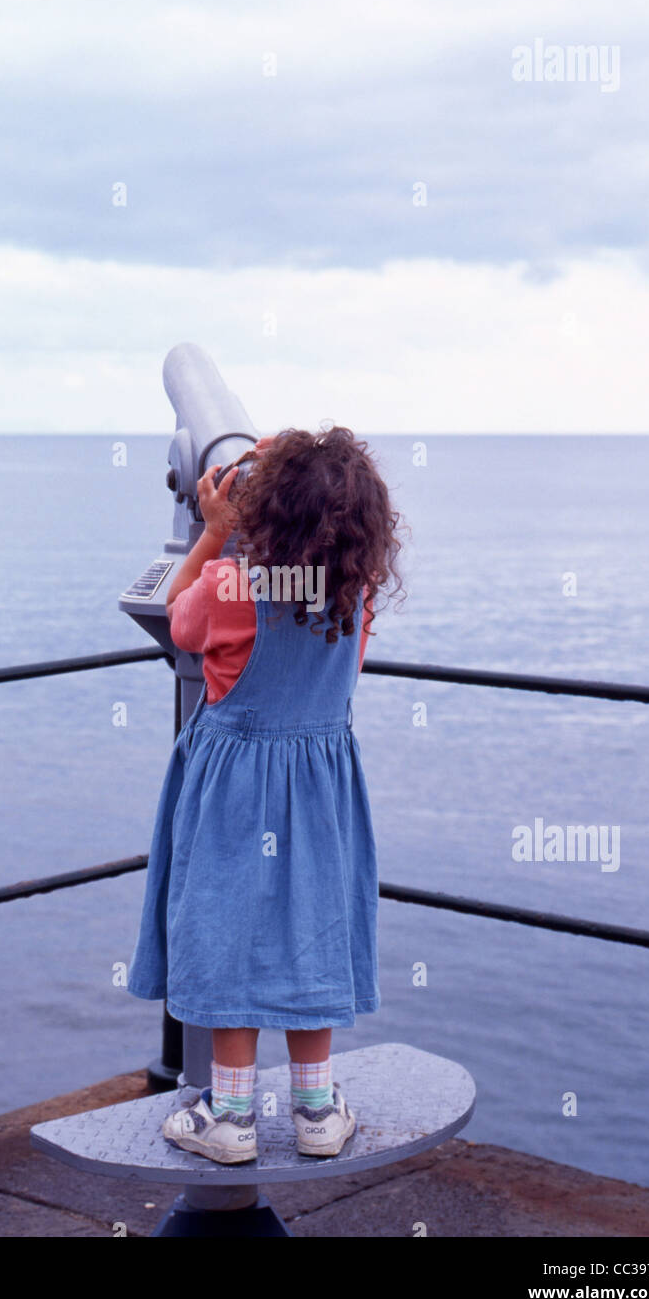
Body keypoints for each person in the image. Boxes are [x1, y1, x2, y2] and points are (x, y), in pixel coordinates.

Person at [126, 426, 405, 1163]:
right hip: (319, 792)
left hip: (233, 792)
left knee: (227, 930)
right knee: (311, 925)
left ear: (265, 513)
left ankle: (232, 1115)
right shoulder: (357, 592)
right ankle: (315, 1110)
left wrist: (215, 533)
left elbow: (179, 619)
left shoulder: (229, 586)